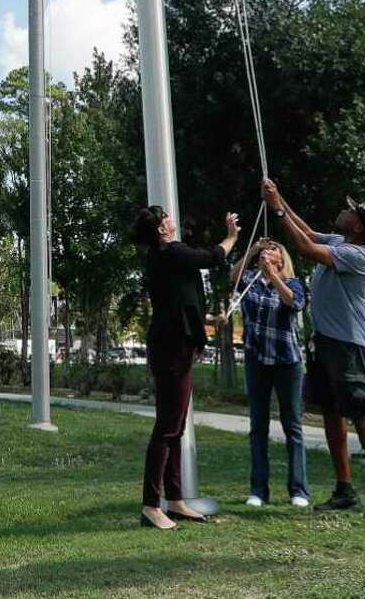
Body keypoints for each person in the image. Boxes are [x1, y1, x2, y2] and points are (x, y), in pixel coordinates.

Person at [262, 177, 365, 520]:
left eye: (349, 211)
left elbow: (306, 249)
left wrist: (278, 208)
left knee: (361, 414)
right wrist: (278, 199)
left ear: (357, 225)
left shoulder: (357, 255)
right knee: (330, 413)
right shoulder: (341, 240)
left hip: (348, 345)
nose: (343, 211)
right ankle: (345, 490)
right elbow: (308, 234)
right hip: (325, 343)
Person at [132, 202, 240, 530]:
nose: (170, 218)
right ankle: (152, 506)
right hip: (171, 350)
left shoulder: (164, 258)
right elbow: (213, 258)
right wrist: (231, 236)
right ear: (161, 230)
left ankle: (175, 501)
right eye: (164, 217)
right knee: (167, 428)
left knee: (175, 428)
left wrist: (207, 319)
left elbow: (179, 303)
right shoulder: (171, 252)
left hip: (176, 345)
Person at [235, 238, 310, 507]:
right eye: (265, 249)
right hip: (256, 360)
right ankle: (258, 490)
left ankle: (298, 490)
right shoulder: (250, 280)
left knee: (293, 426)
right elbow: (233, 277)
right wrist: (252, 250)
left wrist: (274, 276)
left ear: (282, 258)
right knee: (258, 427)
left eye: (274, 249)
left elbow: (293, 303)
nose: (268, 252)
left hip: (287, 362)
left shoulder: (294, 283)